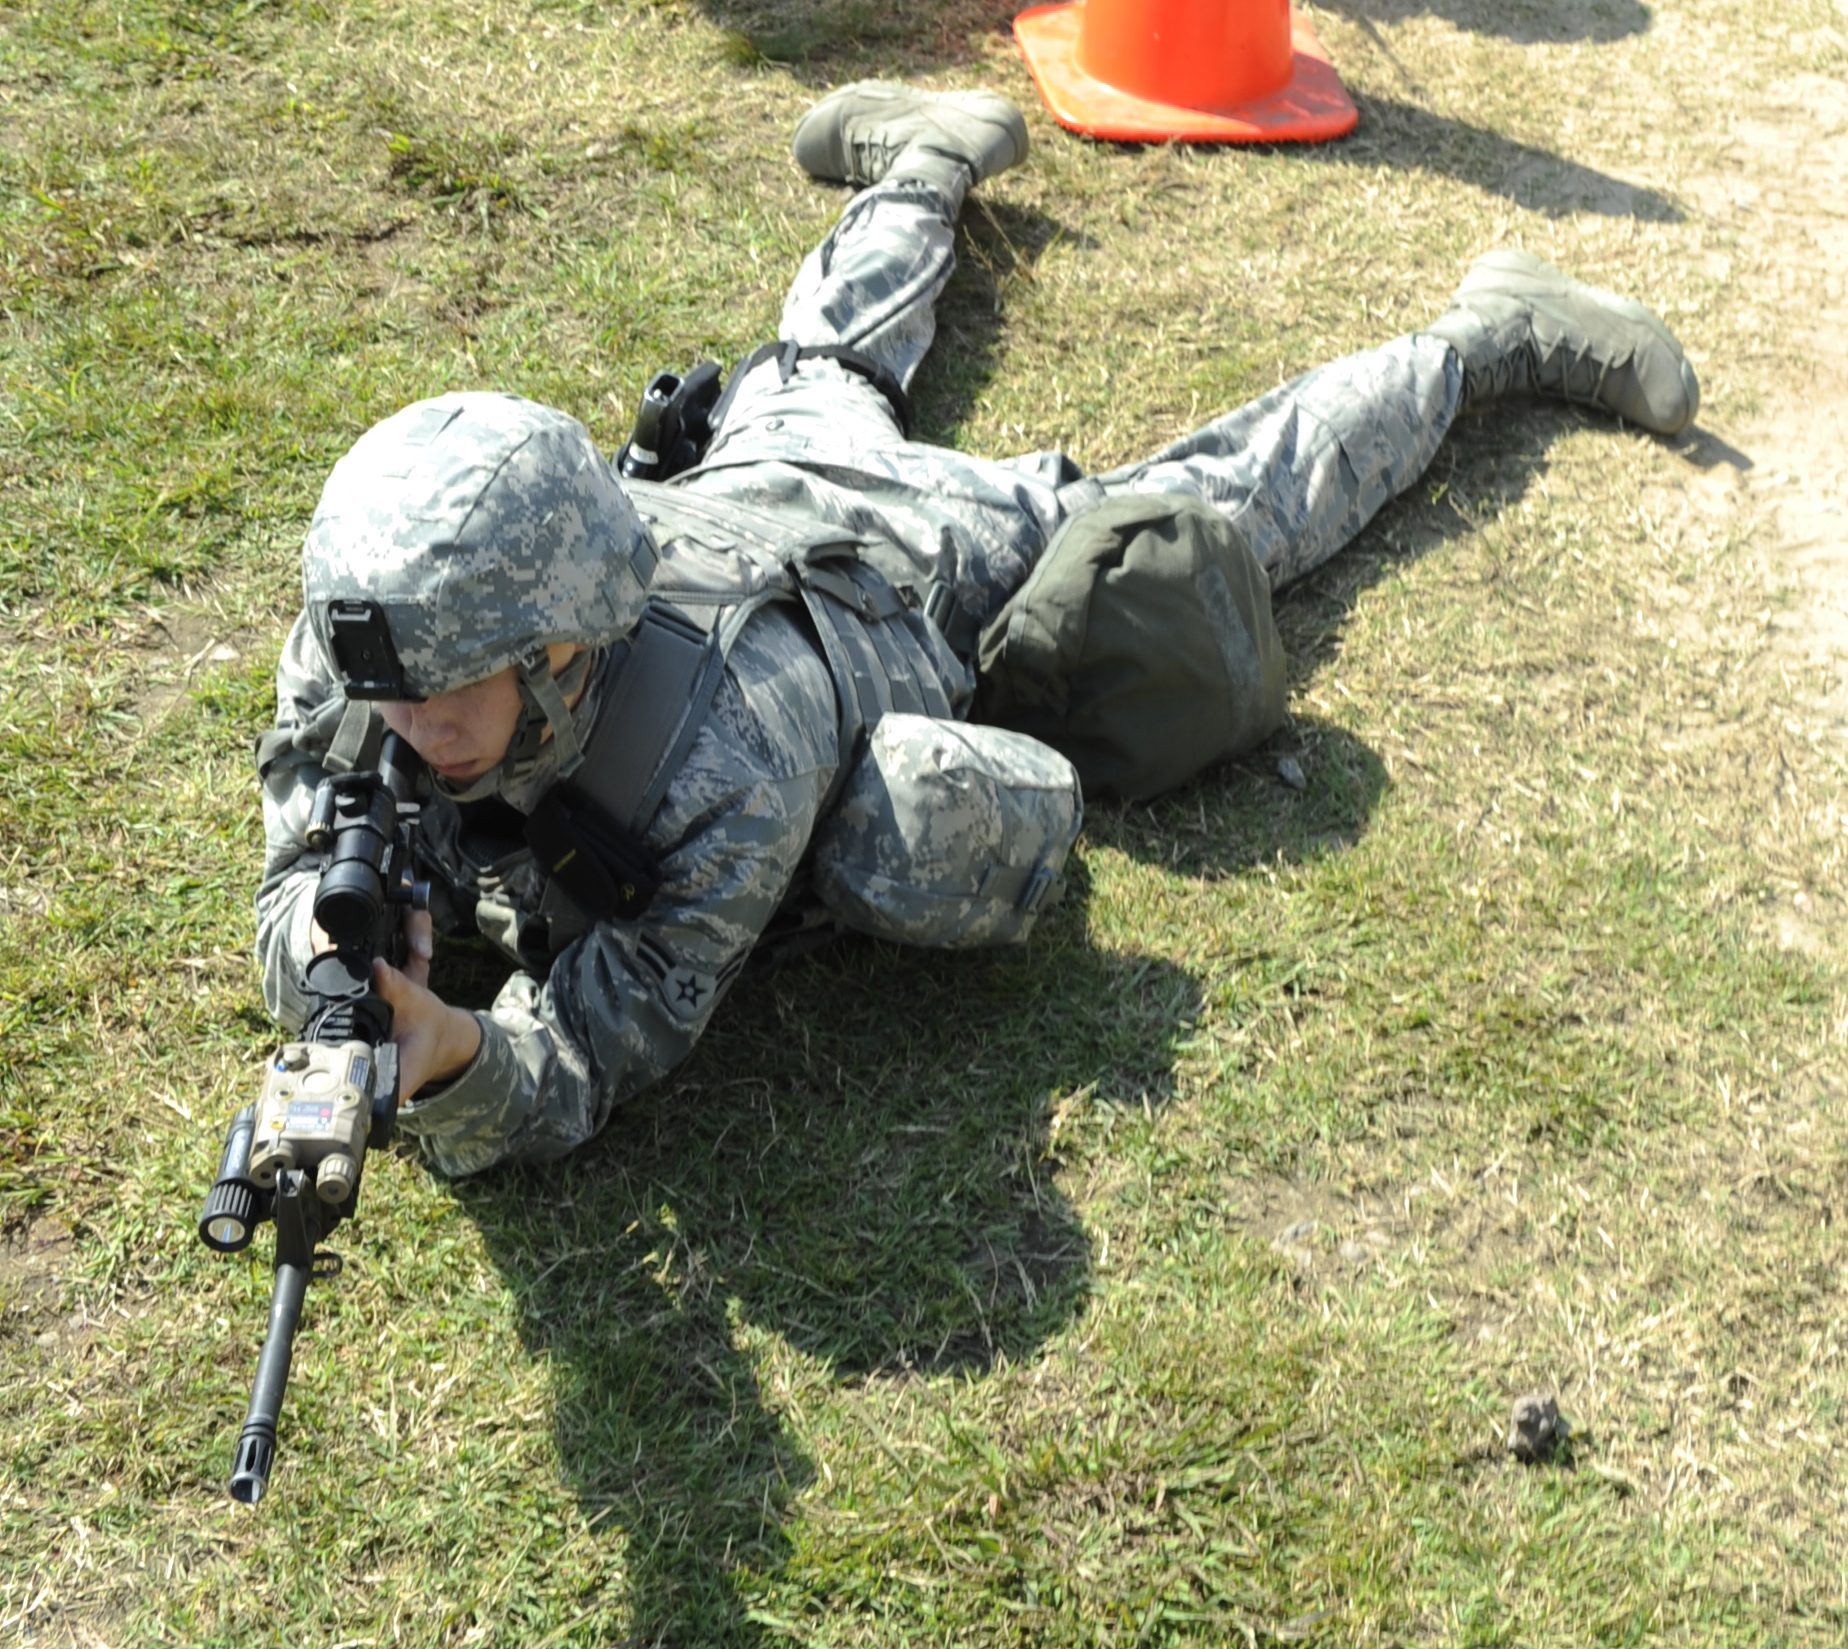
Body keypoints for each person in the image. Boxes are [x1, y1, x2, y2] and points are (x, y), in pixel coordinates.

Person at [254, 82, 1701, 1180]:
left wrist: (456, 1068)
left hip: (914, 562)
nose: (405, 733)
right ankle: (935, 150)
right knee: (819, 365)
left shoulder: (727, 763)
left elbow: (591, 1051)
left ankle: (1491, 334)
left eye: (449, 702)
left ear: (564, 646)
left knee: (1215, 522)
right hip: (759, 476)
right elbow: (303, 850)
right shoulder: (372, 644)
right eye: (395, 701)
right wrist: (325, 957)